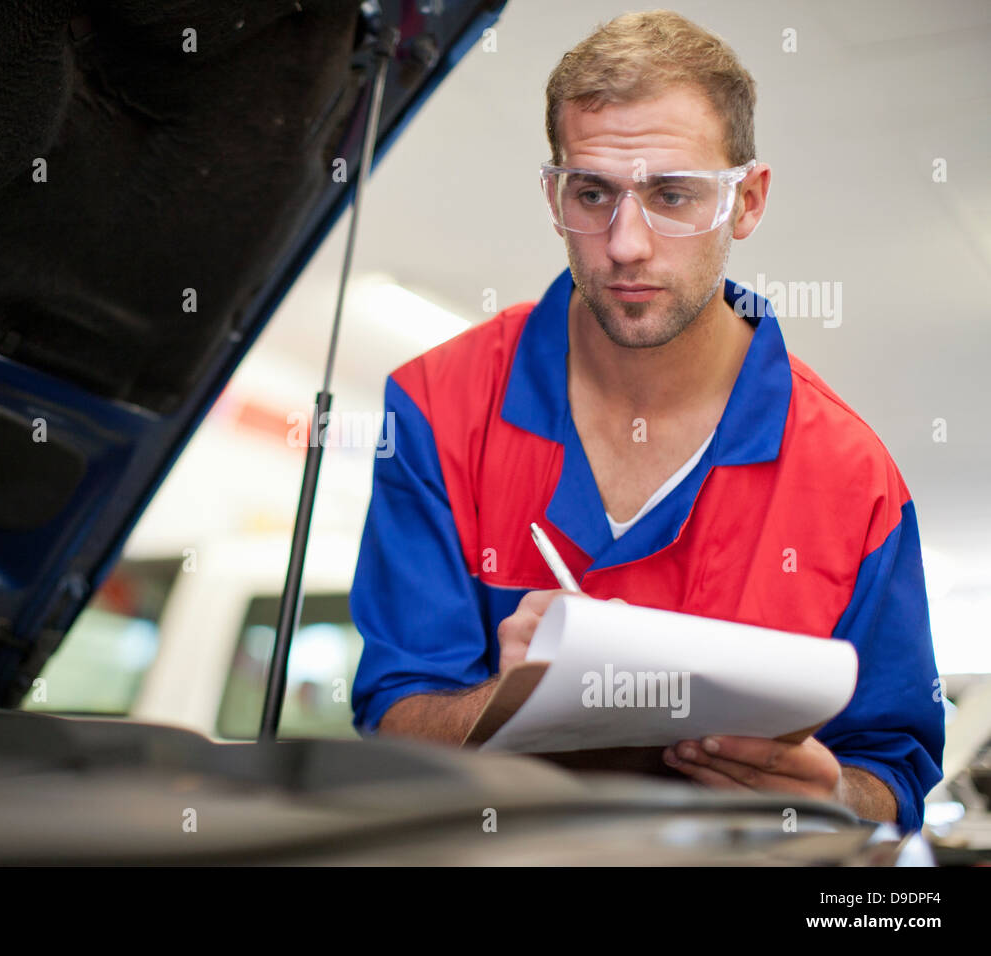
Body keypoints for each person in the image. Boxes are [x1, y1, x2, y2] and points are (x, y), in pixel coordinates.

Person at [347, 10, 943, 831]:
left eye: (672, 195)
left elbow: (894, 773)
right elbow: (393, 721)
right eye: (592, 193)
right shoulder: (437, 406)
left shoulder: (852, 479)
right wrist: (505, 701)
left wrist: (829, 796)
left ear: (748, 200)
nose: (626, 244)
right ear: (555, 196)